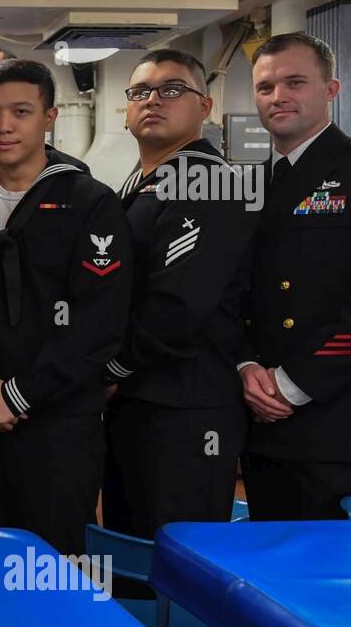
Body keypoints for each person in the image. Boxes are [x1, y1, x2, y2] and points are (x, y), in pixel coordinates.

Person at [0, 60, 131, 551]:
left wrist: (19, 394)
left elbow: (99, 322)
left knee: (47, 570)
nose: (3, 126)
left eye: (21, 112)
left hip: (58, 424)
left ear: (49, 118)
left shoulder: (90, 201)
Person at [239, 31, 351, 520]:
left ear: (331, 90)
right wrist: (245, 367)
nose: (278, 97)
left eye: (295, 82)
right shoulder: (251, 183)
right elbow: (239, 294)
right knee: (269, 577)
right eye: (265, 87)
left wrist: (291, 384)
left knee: (333, 587)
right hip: (263, 421)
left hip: (342, 424)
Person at [102, 49, 255, 538]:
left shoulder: (208, 182)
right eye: (140, 92)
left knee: (172, 556)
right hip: (140, 398)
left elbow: (178, 306)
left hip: (184, 407)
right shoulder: (147, 181)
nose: (153, 101)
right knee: (131, 547)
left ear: (205, 107)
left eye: (172, 90)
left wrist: (109, 368)